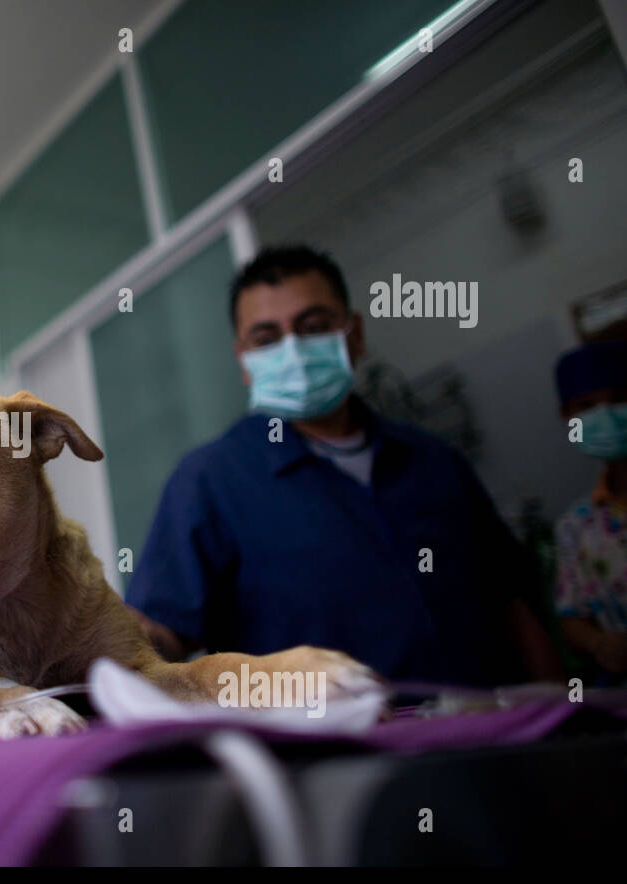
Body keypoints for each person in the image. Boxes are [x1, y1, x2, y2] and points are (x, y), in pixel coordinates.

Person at [126, 245, 563, 687]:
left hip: (495, 732)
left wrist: (561, 718)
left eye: (313, 327)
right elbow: (162, 635)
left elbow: (512, 601)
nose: (293, 350)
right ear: (244, 360)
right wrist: (112, 638)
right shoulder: (211, 480)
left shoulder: (435, 461)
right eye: (266, 338)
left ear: (354, 335)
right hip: (331, 751)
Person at [552, 339, 627, 685]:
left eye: (619, 398)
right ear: (568, 419)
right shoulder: (577, 526)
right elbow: (571, 617)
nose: (606, 414)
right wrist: (600, 643)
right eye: (586, 406)